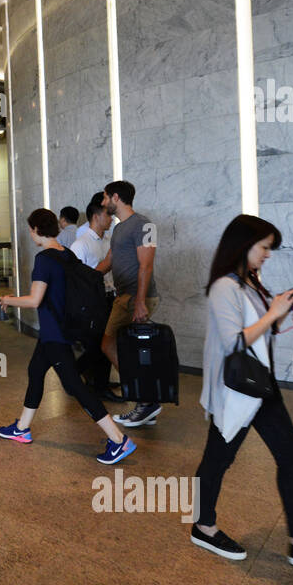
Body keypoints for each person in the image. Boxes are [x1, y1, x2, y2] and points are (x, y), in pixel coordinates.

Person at [193, 214, 293, 572]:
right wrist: (273, 314)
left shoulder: (249, 283)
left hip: (260, 385)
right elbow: (233, 341)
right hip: (236, 388)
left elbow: (262, 331)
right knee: (217, 460)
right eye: (264, 247)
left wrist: (286, 311)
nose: (267, 254)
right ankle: (203, 526)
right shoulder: (224, 286)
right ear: (243, 245)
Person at [0, 209, 135, 464]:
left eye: (30, 229)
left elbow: (35, 299)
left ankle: (118, 440)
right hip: (61, 329)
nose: (30, 233)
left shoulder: (44, 259)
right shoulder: (66, 254)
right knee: (36, 370)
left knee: (75, 386)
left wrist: (8, 299)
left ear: (37, 229)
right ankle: (22, 428)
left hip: (55, 334)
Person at [100, 180, 162, 429]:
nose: (103, 202)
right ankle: (147, 402)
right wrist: (86, 275)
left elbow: (147, 265)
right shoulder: (119, 229)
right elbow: (110, 260)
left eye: (105, 197)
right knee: (122, 348)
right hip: (126, 296)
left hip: (135, 298)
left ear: (116, 197)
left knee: (109, 344)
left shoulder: (145, 224)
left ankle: (145, 400)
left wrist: (139, 302)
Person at [70, 200, 120, 400]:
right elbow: (77, 279)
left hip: (110, 296)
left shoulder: (108, 241)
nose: (111, 219)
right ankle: (77, 375)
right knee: (97, 345)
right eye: (108, 215)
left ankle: (100, 383)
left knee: (105, 343)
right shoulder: (80, 244)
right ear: (96, 215)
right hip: (91, 302)